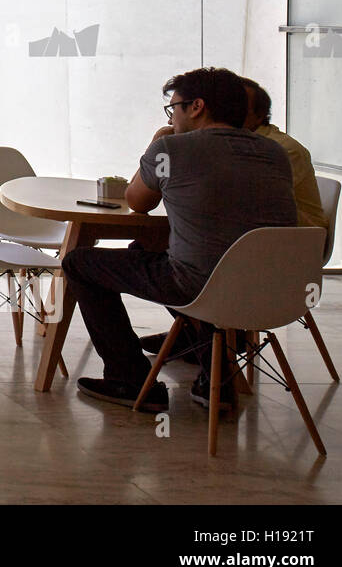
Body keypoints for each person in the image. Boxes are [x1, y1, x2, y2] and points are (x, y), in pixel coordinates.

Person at [63, 67, 296, 413]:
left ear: (197, 106)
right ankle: (216, 378)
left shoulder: (171, 149)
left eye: (174, 108)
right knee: (152, 251)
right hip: (276, 290)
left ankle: (130, 379)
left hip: (198, 285)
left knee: (80, 263)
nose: (172, 116)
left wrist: (158, 141)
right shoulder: (273, 152)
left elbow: (138, 202)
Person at [238, 77, 327, 230]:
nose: (228, 112)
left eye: (238, 107)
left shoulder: (283, 150)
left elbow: (253, 200)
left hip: (298, 237)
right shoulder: (237, 143)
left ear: (259, 116)